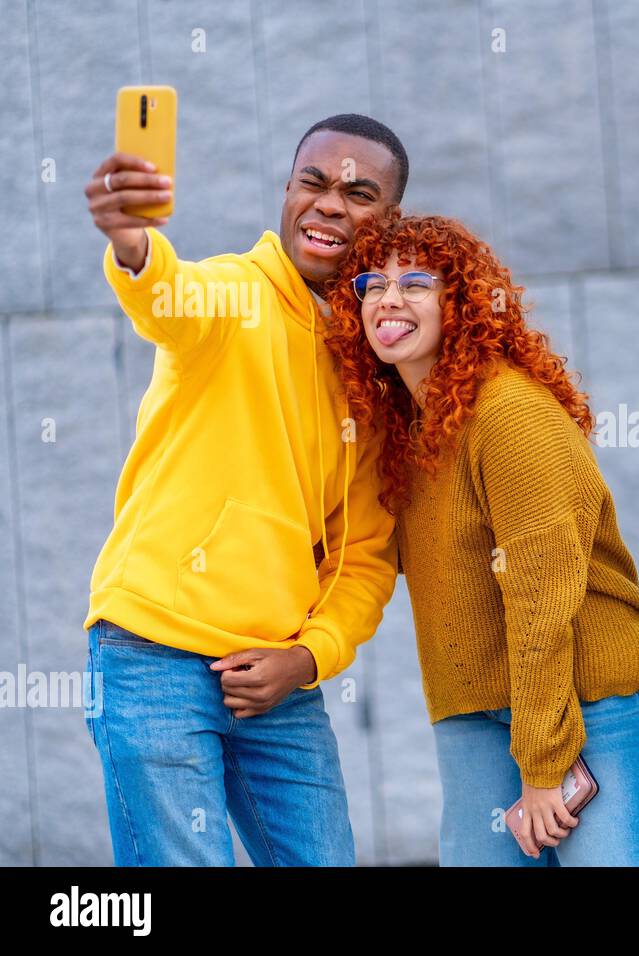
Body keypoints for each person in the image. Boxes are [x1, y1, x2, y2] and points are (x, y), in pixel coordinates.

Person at [81, 113, 407, 865]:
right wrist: (132, 244)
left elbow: (365, 556)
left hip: (279, 682)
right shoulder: (234, 294)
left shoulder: (375, 370)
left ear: (389, 224)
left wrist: (309, 657)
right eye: (314, 183)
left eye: (358, 194)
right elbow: (168, 296)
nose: (329, 204)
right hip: (151, 654)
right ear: (287, 193)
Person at [322, 210, 639, 866]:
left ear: (461, 300)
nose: (389, 298)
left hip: (590, 694)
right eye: (372, 284)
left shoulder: (509, 415)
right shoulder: (408, 436)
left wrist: (544, 765)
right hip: (474, 705)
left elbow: (541, 598)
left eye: (416, 282)